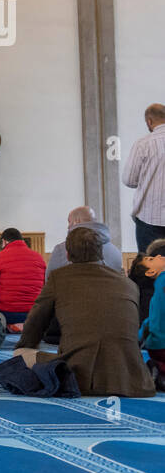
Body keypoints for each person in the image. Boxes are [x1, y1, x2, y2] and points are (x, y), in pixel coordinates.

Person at [14, 227, 154, 397]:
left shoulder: (59, 277)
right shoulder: (128, 284)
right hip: (130, 378)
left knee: (20, 355)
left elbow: (36, 321)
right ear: (101, 252)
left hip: (79, 375)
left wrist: (25, 346)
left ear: (67, 254)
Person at [122, 103, 165, 253]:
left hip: (149, 217)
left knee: (149, 266)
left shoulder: (143, 144)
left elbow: (129, 180)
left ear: (149, 121)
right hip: (149, 218)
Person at [0, 228, 46, 331]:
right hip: (34, 312)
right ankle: (24, 326)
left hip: (7, 313)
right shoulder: (39, 257)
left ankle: (12, 326)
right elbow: (44, 286)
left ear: (4, 241)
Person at [47, 206, 124, 275]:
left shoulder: (61, 249)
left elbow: (50, 280)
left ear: (77, 221)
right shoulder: (115, 251)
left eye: (69, 221)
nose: (68, 226)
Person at [139, 239, 165, 391]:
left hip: (158, 345)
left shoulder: (160, 282)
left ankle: (158, 369)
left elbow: (154, 318)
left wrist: (140, 336)